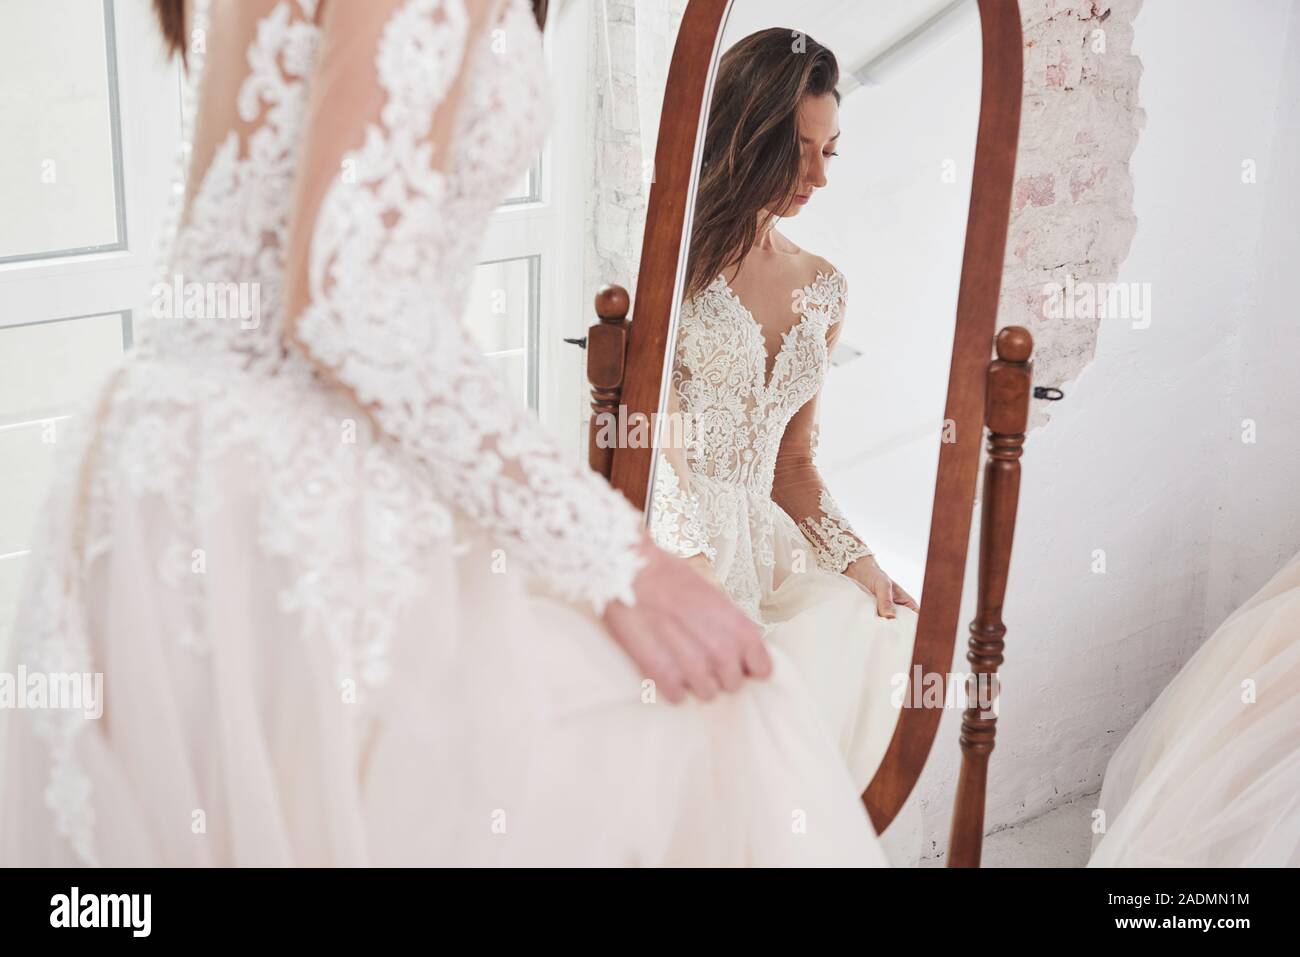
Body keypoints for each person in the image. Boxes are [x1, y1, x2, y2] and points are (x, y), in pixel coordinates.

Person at [0, 0, 890, 866]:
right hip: (271, 489)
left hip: (223, 463)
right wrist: (622, 558)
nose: (813, 174)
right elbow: (349, 293)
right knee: (733, 730)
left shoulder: (824, 283)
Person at [650, 29, 918, 791]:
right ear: (748, 135)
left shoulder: (823, 286)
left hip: (766, 549)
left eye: (830, 151)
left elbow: (791, 465)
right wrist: (698, 574)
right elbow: (654, 447)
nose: (819, 176)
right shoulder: (667, 260)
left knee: (880, 636)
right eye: (801, 149)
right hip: (674, 536)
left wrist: (860, 559)